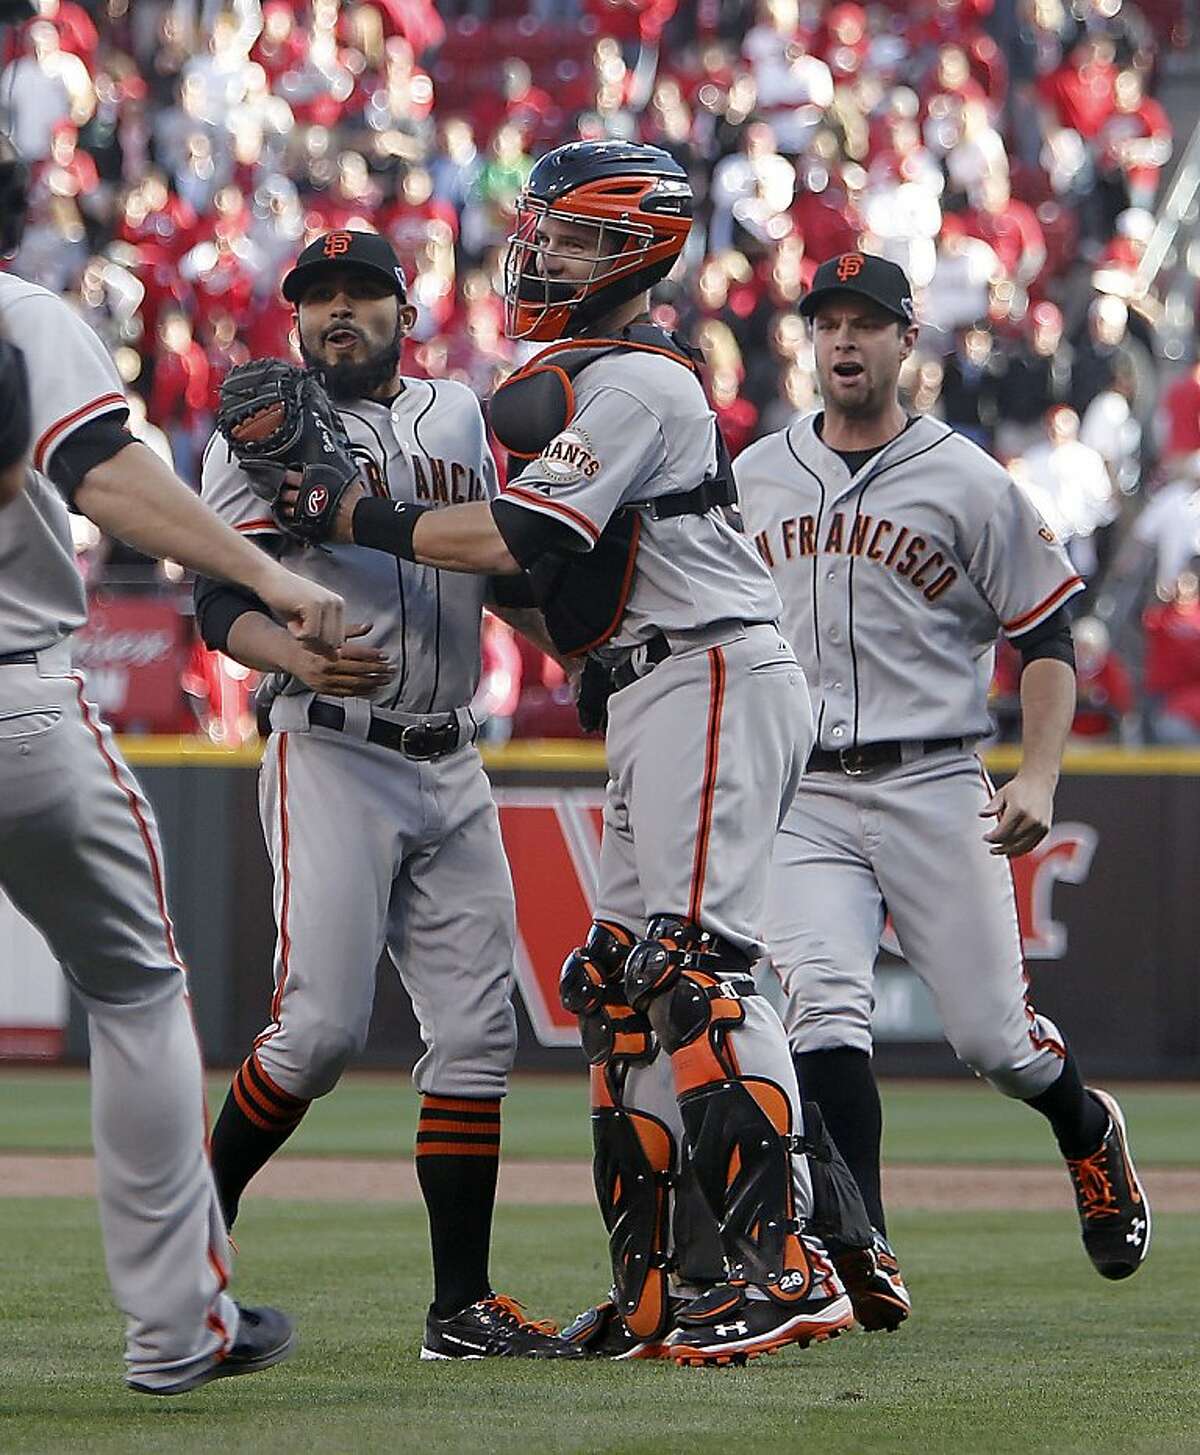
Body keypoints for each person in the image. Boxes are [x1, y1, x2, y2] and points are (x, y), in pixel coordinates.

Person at [282, 141, 856, 1367]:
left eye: (575, 236)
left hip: (709, 665)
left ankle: (790, 1270)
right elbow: (542, 576)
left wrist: (345, 510)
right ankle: (669, 1289)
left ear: (637, 247)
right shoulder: (601, 377)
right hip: (655, 683)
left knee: (697, 972)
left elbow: (518, 529)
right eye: (546, 233)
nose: (543, 254)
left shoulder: (644, 381)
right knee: (622, 992)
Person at [734, 252, 1152, 1328]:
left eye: (865, 322)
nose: (843, 341)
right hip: (804, 790)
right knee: (821, 1005)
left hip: (931, 780)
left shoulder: (967, 478)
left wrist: (1043, 772)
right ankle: (857, 1241)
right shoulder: (757, 475)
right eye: (827, 322)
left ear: (906, 340)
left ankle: (1085, 1129)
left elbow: (1047, 636)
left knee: (993, 1042)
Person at [0, 136, 348, 1395]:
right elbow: (102, 472)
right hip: (17, 708)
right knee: (139, 990)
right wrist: (264, 570)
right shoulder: (22, 314)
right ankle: (177, 1331)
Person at [194, 228, 577, 1362]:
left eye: (362, 294)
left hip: (452, 755)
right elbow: (218, 608)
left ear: (406, 313)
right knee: (314, 1036)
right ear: (297, 318)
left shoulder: (459, 414)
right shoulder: (258, 436)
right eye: (319, 299)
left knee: (475, 1038)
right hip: (334, 748)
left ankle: (461, 1308)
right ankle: (184, 1245)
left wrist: (575, 653)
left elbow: (495, 566)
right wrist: (294, 656)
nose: (338, 314)